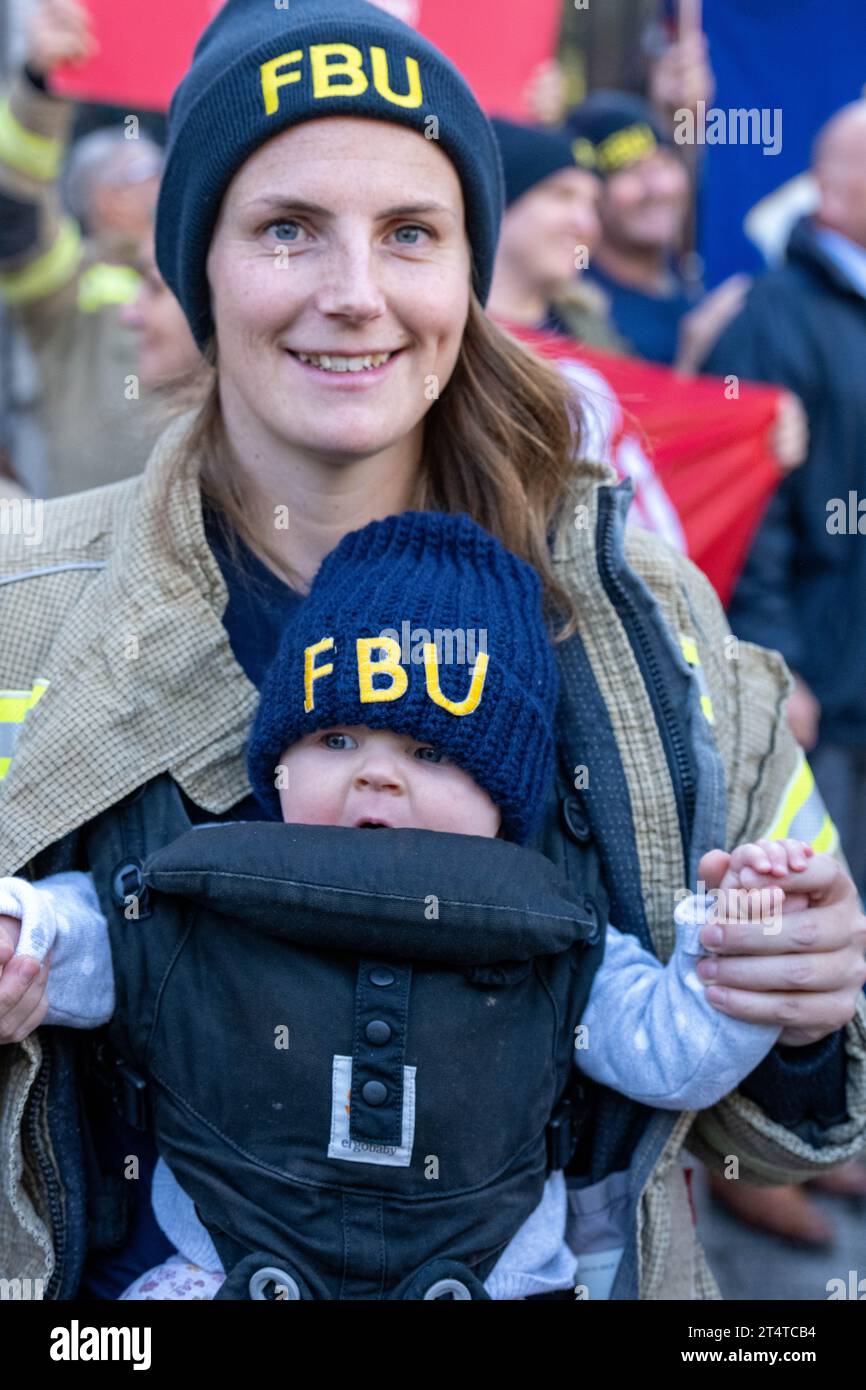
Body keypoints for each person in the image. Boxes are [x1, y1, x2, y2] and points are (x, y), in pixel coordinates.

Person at [0, 0, 864, 1304]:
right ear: (199, 266)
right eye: (286, 227)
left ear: (466, 265)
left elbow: (776, 1123)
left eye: (409, 233)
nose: (353, 295)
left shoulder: (644, 618)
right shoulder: (27, 606)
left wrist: (795, 1000)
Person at [0, 509, 821, 1299]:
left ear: (505, 803)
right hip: (226, 1273)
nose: (376, 775)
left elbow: (673, 1057)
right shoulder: (215, 894)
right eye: (336, 739)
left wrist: (738, 939)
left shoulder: (554, 934)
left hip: (494, 1280)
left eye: (429, 750)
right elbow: (95, 934)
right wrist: (23, 930)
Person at [0, 0, 167, 496]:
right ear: (105, 199)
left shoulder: (203, 267)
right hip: (98, 553)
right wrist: (39, 87)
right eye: (146, 173)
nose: (165, 182)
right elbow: (15, 218)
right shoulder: (67, 280)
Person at [565, 91, 750, 370]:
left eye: (664, 164)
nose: (659, 189)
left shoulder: (688, 277)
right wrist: (691, 361)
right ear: (589, 195)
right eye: (630, 171)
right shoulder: (577, 313)